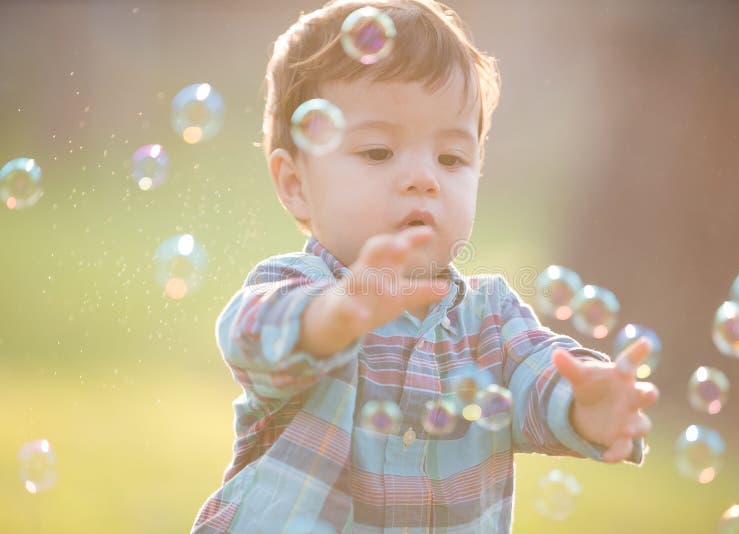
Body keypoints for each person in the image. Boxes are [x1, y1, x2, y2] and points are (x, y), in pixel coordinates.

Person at [191, 0, 659, 532]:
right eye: (377, 152)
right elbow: (253, 338)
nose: (423, 178)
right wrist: (337, 316)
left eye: (452, 158)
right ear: (296, 185)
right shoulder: (299, 289)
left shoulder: (491, 320)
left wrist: (583, 403)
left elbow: (540, 373)